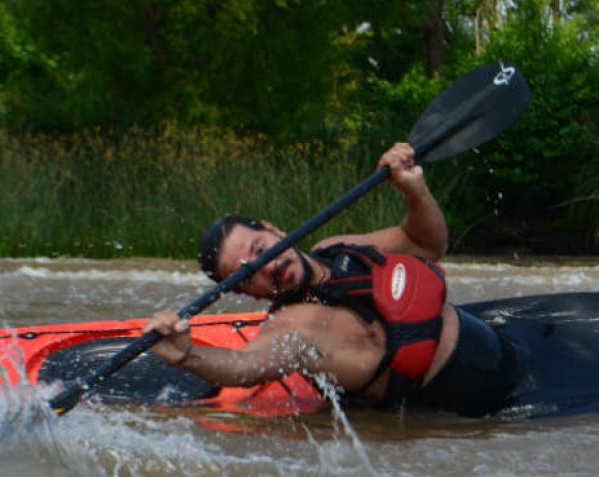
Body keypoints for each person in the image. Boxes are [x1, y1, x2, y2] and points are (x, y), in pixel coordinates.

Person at [141, 142, 519, 416]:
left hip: (506, 352)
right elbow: (243, 367)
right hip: (472, 406)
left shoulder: (336, 248)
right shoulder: (291, 327)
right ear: (245, 291)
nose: (266, 265)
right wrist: (187, 355)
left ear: (274, 230)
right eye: (248, 272)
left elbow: (428, 243)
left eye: (260, 248)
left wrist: (413, 189)